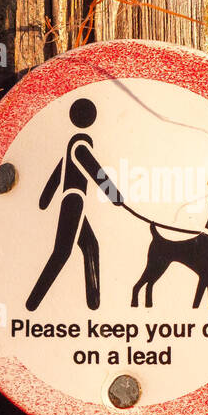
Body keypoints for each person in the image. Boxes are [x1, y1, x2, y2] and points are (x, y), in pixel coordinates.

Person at [25, 98, 124, 311]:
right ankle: (32, 303)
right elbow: (92, 167)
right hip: (75, 200)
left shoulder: (71, 143)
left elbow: (58, 171)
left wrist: (45, 198)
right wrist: (115, 196)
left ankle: (93, 301)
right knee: (62, 252)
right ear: (91, 118)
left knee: (90, 244)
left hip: (73, 200)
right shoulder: (80, 143)